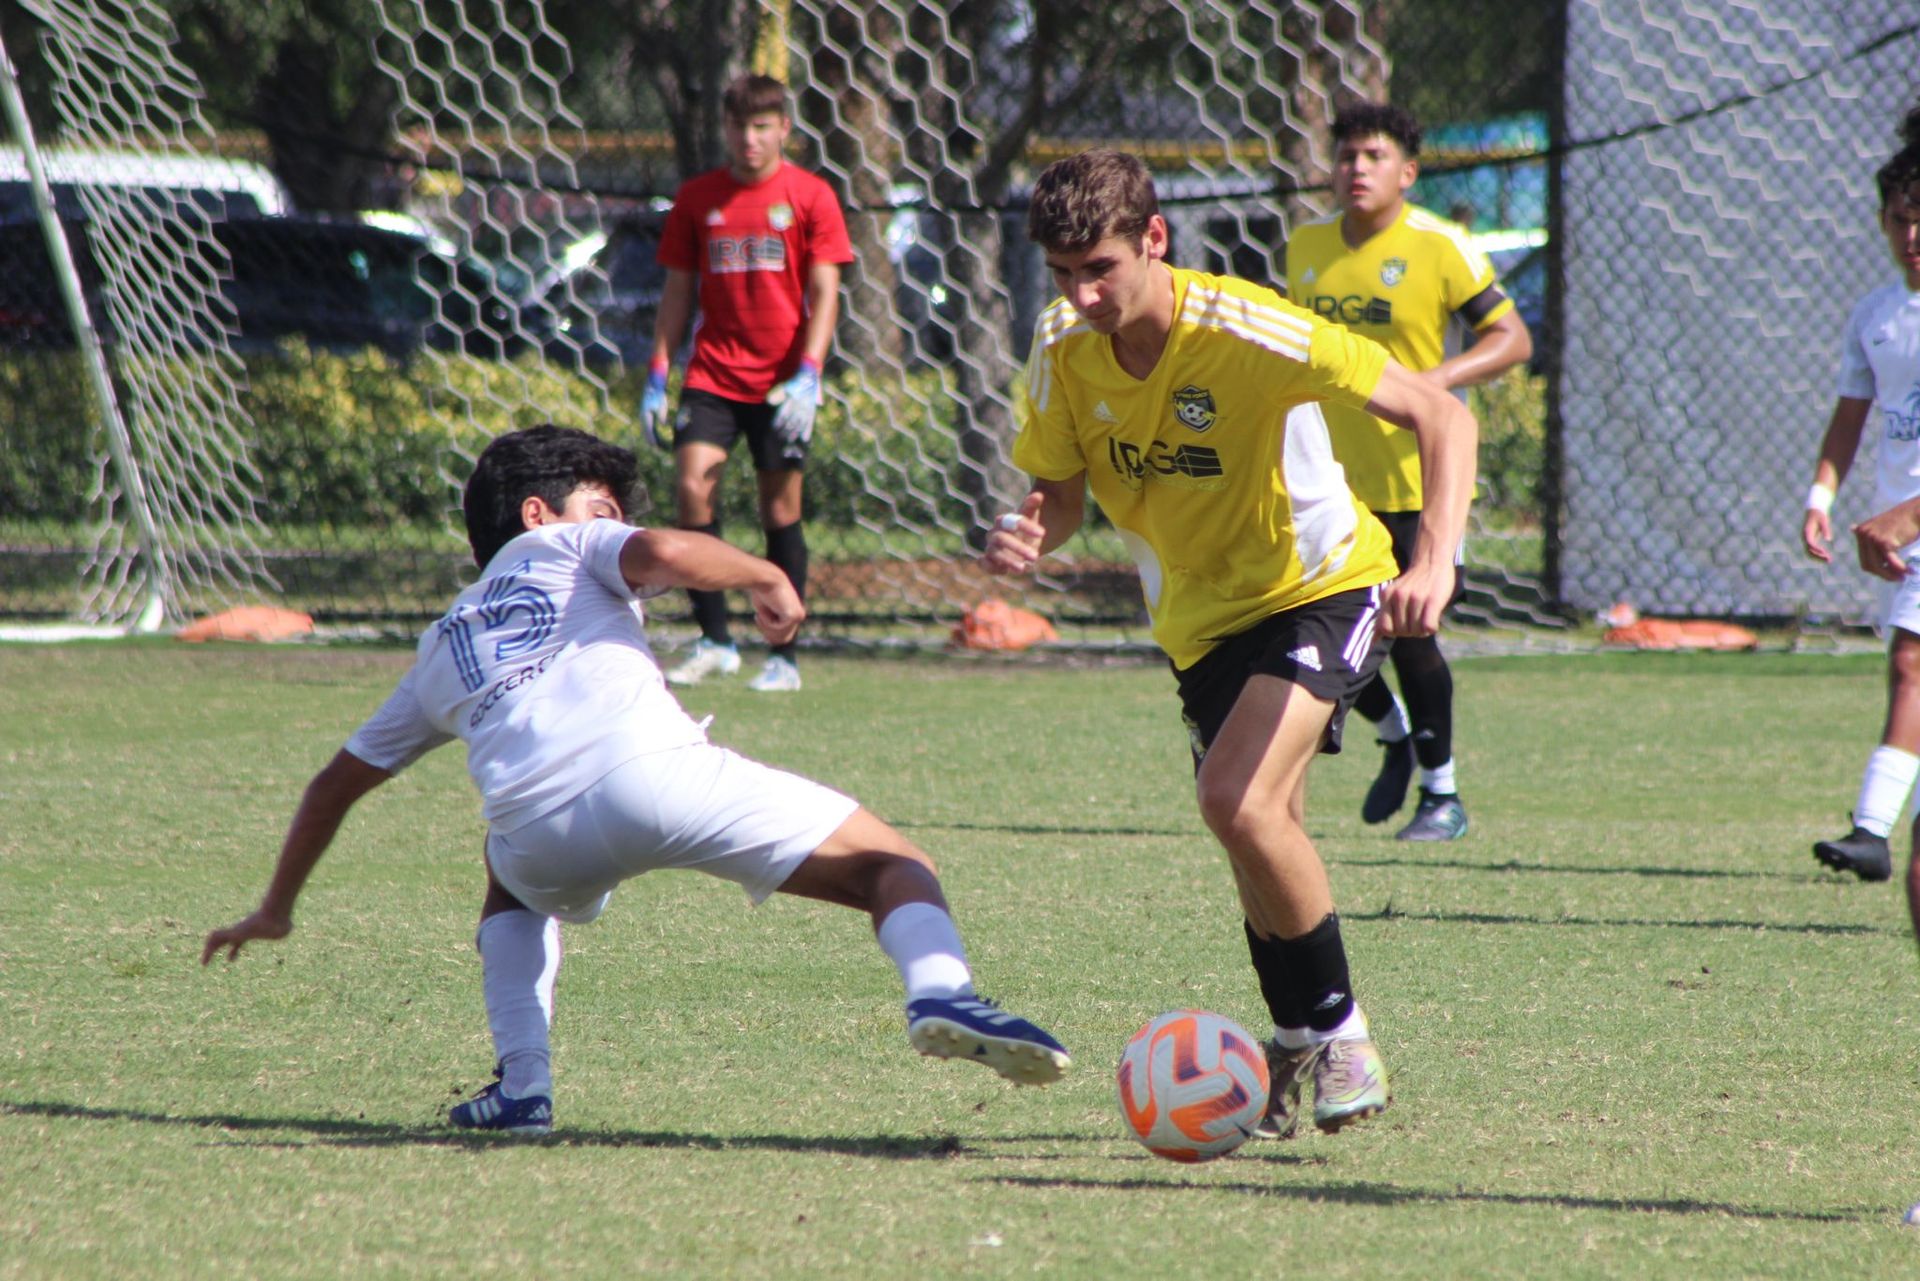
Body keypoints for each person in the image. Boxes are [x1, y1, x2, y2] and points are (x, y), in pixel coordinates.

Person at [203, 425, 1069, 1134]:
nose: (612, 517)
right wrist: (769, 571)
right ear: (540, 512)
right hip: (654, 781)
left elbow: (333, 785)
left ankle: (523, 1087)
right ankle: (941, 995)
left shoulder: (440, 644)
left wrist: (276, 907)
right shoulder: (568, 546)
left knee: (506, 881)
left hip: (542, 839)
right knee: (893, 865)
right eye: (599, 502)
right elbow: (659, 549)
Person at [983, 150, 1477, 1138]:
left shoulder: (1243, 325)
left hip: (1324, 587)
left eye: (1101, 268)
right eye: (1065, 274)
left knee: (1234, 799)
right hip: (1202, 625)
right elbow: (1069, 495)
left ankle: (1343, 1034)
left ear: (1153, 241)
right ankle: (1293, 1041)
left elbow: (1440, 411)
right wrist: (1039, 530)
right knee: (1256, 833)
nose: (1083, 294)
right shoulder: (1060, 352)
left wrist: (1437, 562)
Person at [1284, 101, 1533, 841]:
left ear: (1408, 172)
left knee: (1412, 634)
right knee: (1307, 625)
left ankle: (1443, 794)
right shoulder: (1306, 246)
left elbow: (1512, 337)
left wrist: (1433, 381)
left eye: (1374, 156)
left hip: (1413, 480)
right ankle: (1390, 732)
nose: (1356, 169)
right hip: (1326, 478)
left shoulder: (1440, 245)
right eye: (1346, 156)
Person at [639, 73, 853, 693]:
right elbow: (677, 293)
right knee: (691, 488)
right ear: (725, 130)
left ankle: (783, 654)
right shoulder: (698, 198)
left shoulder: (811, 197)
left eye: (762, 127)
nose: (749, 139)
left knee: (779, 508)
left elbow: (825, 290)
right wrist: (658, 373)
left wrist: (810, 374)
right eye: (738, 127)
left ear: (783, 128)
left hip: (783, 383)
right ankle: (715, 641)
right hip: (713, 373)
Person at [1799, 111, 1920, 883]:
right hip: (1900, 528)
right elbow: (1851, 416)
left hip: (1907, 526)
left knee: (1912, 663)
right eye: (1901, 220)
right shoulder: (1876, 316)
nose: (1912, 235)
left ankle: (1872, 828)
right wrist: (1821, 496)